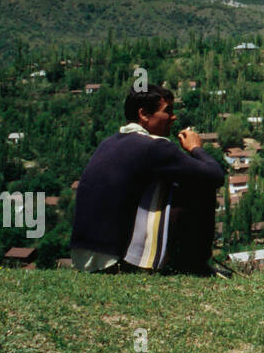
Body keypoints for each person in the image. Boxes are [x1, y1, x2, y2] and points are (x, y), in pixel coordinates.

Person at [71, 86, 226, 275]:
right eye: (167, 111)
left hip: (84, 259)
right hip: (116, 260)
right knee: (199, 185)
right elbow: (214, 175)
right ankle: (195, 267)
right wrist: (195, 148)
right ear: (143, 114)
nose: (173, 117)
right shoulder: (154, 147)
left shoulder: (108, 143)